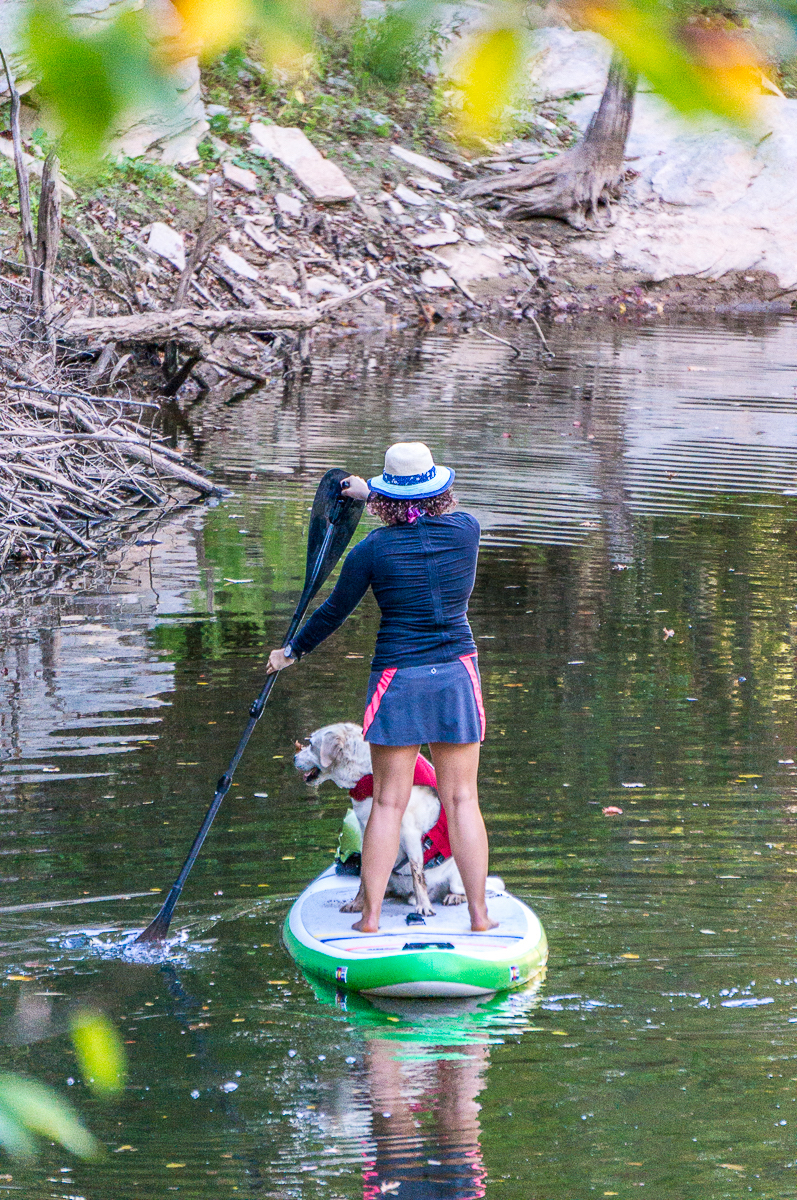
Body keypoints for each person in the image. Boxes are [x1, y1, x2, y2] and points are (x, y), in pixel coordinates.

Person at [267, 442, 496, 934]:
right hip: (456, 673)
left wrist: (291, 652)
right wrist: (378, 490)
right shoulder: (467, 531)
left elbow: (332, 612)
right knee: (462, 801)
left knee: (389, 804)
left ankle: (369, 921)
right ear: (442, 489)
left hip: (398, 680)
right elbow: (425, 513)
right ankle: (480, 919)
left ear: (383, 501)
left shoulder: (370, 552)